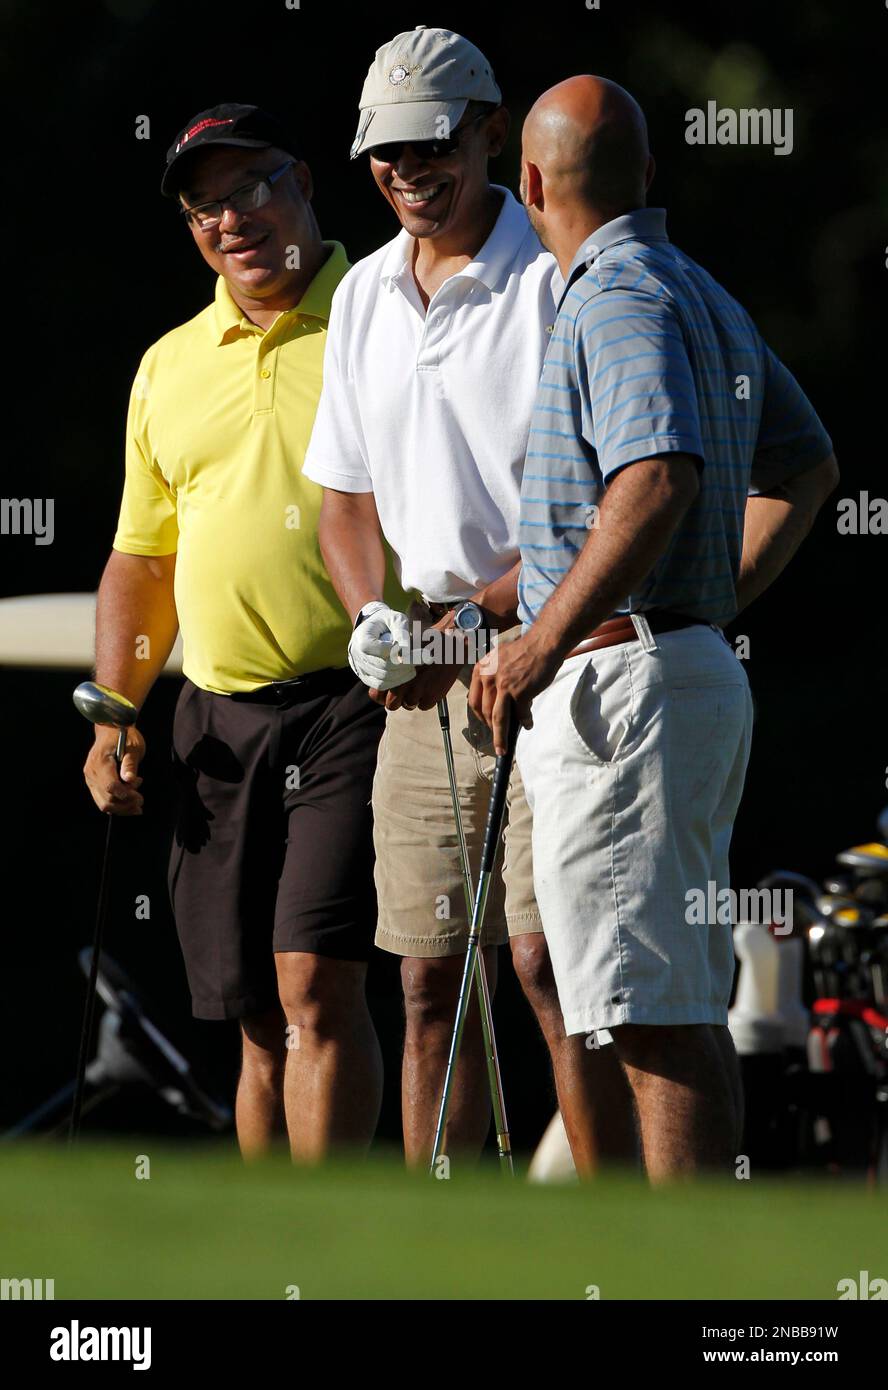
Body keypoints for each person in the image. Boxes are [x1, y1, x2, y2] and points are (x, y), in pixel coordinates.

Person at [470, 75, 839, 1180]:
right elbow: (806, 464)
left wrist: (545, 639)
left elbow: (656, 478)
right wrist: (703, 602)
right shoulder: (698, 288)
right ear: (649, 174)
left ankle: (682, 1285)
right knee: (655, 999)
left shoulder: (613, 294)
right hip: (665, 673)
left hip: (622, 691)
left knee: (650, 1012)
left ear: (529, 181)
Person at [304, 28, 637, 1169]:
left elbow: (610, 502)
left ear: (492, 132)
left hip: (561, 657)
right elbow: (342, 497)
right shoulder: (360, 298)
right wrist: (374, 620)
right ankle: (431, 1267)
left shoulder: (559, 272)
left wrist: (485, 618)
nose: (404, 171)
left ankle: (618, 1247)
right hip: (424, 677)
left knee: (554, 968)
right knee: (428, 977)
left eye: (428, 144)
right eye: (382, 153)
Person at [82, 103, 406, 1161]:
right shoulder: (170, 363)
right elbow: (143, 558)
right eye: (203, 205)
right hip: (215, 721)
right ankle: (278, 1254)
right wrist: (117, 713)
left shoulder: (388, 311)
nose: (231, 218)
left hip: (354, 699)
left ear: (305, 183)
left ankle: (332, 1233)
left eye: (252, 187)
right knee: (253, 1014)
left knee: (316, 979)